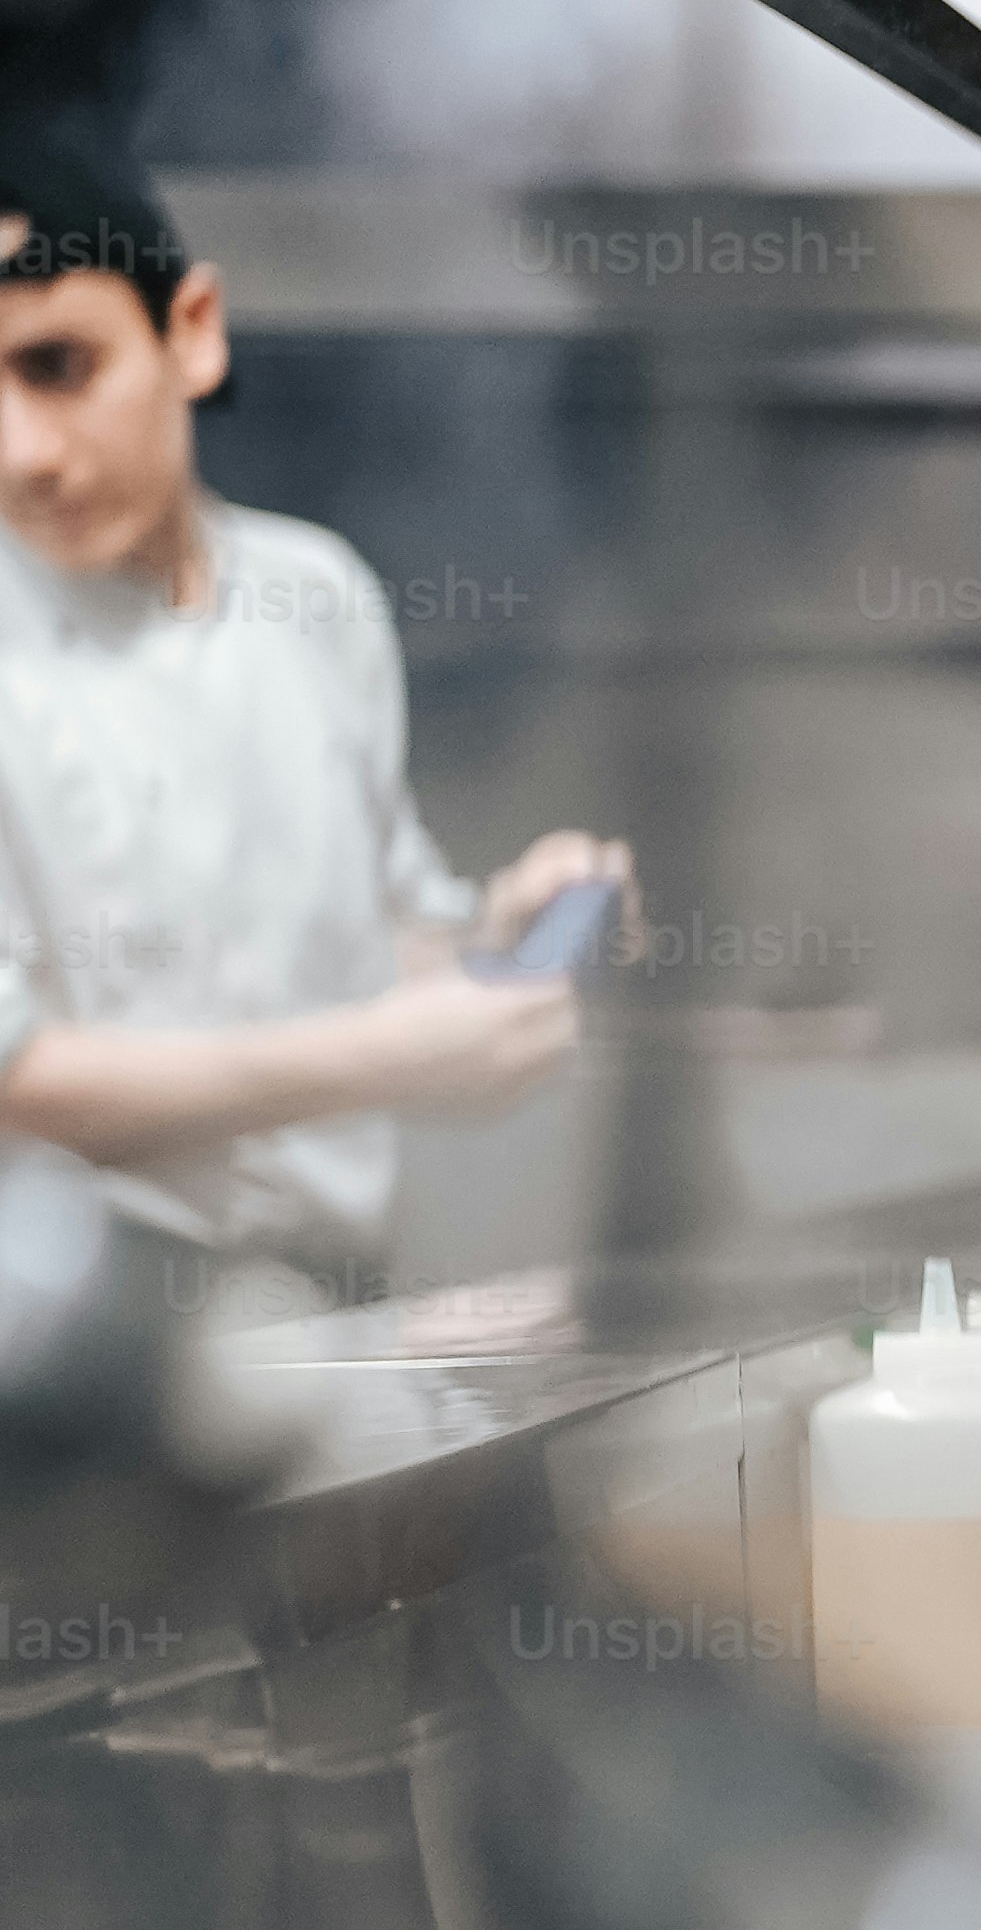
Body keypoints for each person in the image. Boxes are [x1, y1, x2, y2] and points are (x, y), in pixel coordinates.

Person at [0, 130, 620, 1293]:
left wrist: (500, 938)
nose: (22, 451)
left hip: (336, 1298)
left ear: (191, 330)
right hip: (69, 1347)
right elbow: (14, 1081)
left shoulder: (311, 593)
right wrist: (384, 1058)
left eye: (58, 365)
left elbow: (377, 939)